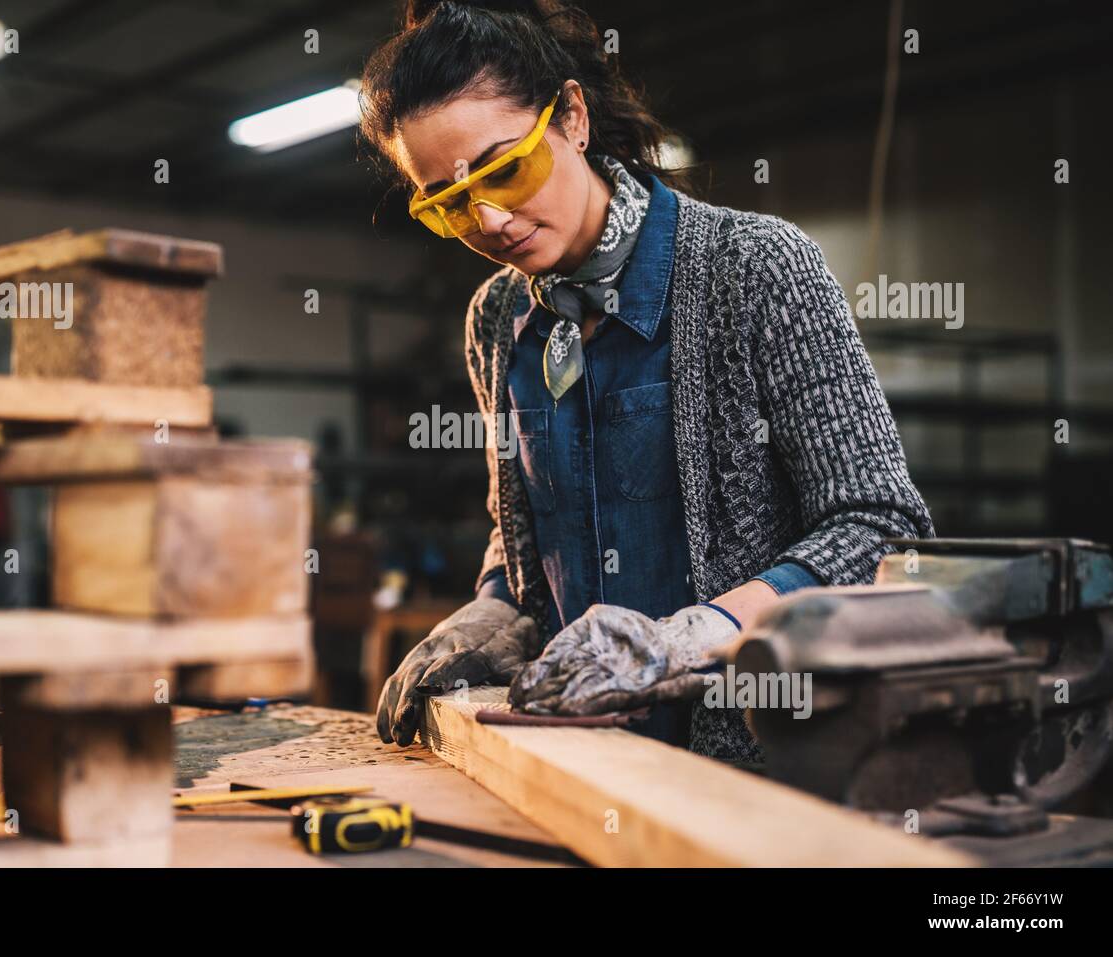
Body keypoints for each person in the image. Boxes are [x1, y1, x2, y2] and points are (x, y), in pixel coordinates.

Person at [357, 0, 933, 760]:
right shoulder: (497, 320)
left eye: (505, 169)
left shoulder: (754, 269)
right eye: (450, 203)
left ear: (571, 118)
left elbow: (882, 528)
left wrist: (703, 632)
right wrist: (492, 615)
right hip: (584, 766)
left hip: (766, 767)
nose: (490, 218)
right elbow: (523, 545)